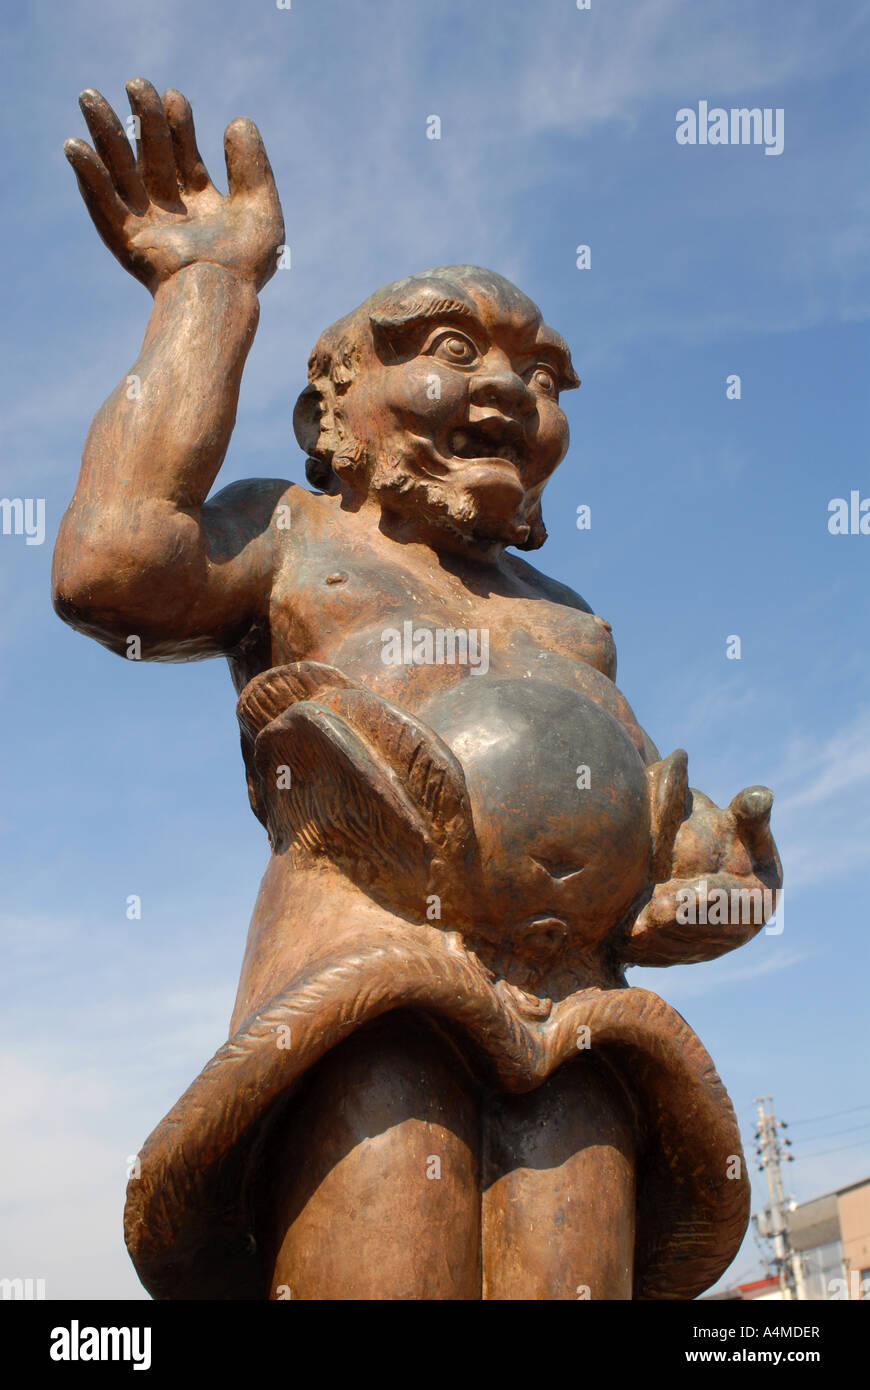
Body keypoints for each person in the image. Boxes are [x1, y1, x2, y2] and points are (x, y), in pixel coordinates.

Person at [55, 80, 782, 1300]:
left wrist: (726, 876)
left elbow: (665, 856)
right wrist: (210, 289)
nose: (510, 391)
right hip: (373, 985)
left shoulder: (567, 623)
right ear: (335, 400)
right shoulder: (297, 537)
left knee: (575, 1264)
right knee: (390, 1235)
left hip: (583, 1019)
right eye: (456, 351)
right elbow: (116, 564)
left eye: (543, 374)